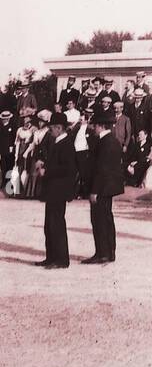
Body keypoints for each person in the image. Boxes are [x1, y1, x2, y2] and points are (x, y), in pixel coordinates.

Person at [83, 107, 124, 265]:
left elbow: (101, 169)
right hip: (108, 187)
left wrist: (94, 190)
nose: (93, 128)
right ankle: (108, 252)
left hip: (102, 188)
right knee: (106, 219)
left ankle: (102, 253)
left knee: (99, 220)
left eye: (95, 125)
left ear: (101, 126)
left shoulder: (104, 143)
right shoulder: (112, 141)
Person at [37, 111, 77, 269]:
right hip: (53, 190)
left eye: (52, 128)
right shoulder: (57, 141)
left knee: (57, 224)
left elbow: (68, 169)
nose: (50, 130)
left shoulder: (66, 143)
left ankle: (61, 260)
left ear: (59, 128)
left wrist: (47, 171)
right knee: (49, 224)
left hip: (59, 190)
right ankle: (51, 256)